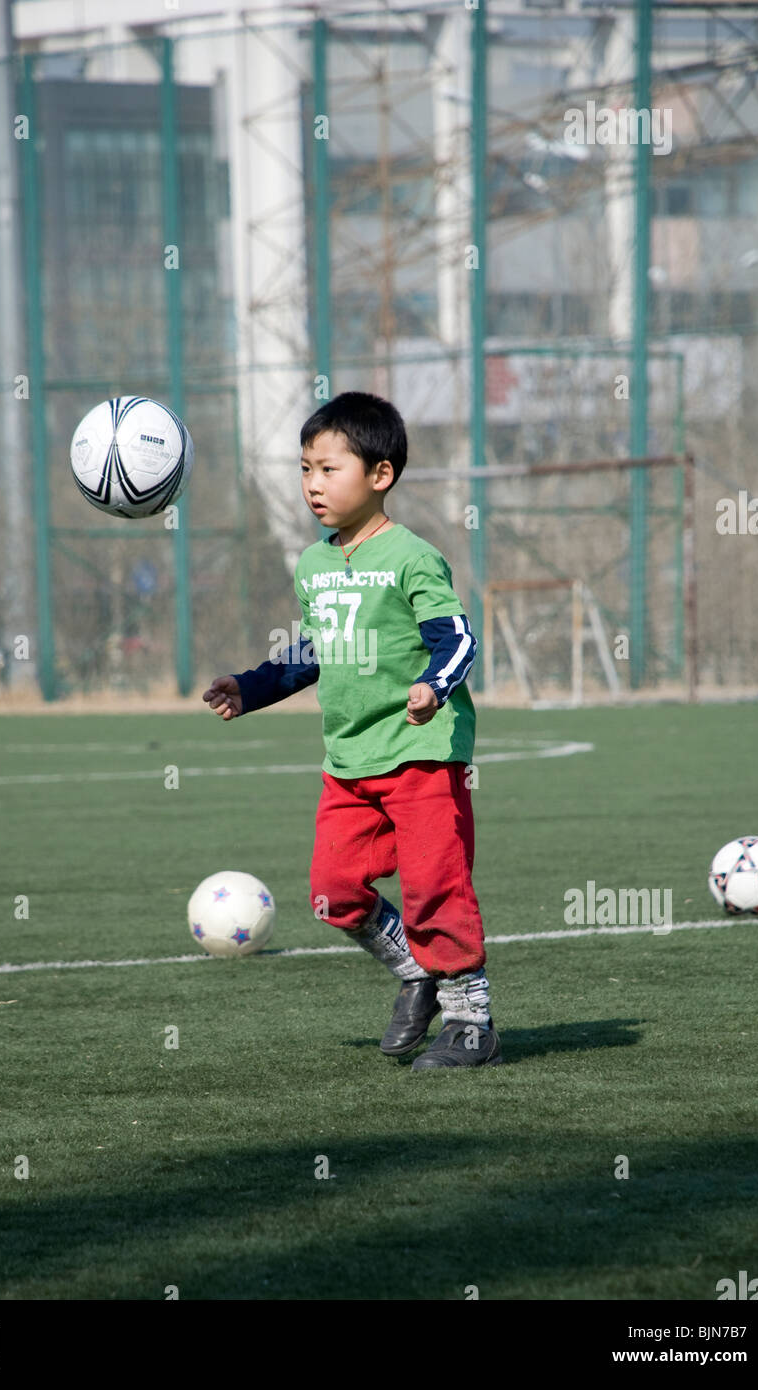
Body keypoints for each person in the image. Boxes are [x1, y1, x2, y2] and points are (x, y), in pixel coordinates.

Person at [202, 391, 500, 1070]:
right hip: (351, 760)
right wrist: (249, 688)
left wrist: (434, 685)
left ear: (380, 475)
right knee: (333, 891)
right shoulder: (313, 565)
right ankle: (415, 973)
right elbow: (314, 652)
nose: (312, 484)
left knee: (434, 888)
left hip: (422, 754)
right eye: (305, 468)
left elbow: (457, 637)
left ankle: (471, 1023)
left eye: (328, 469)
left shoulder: (412, 558)